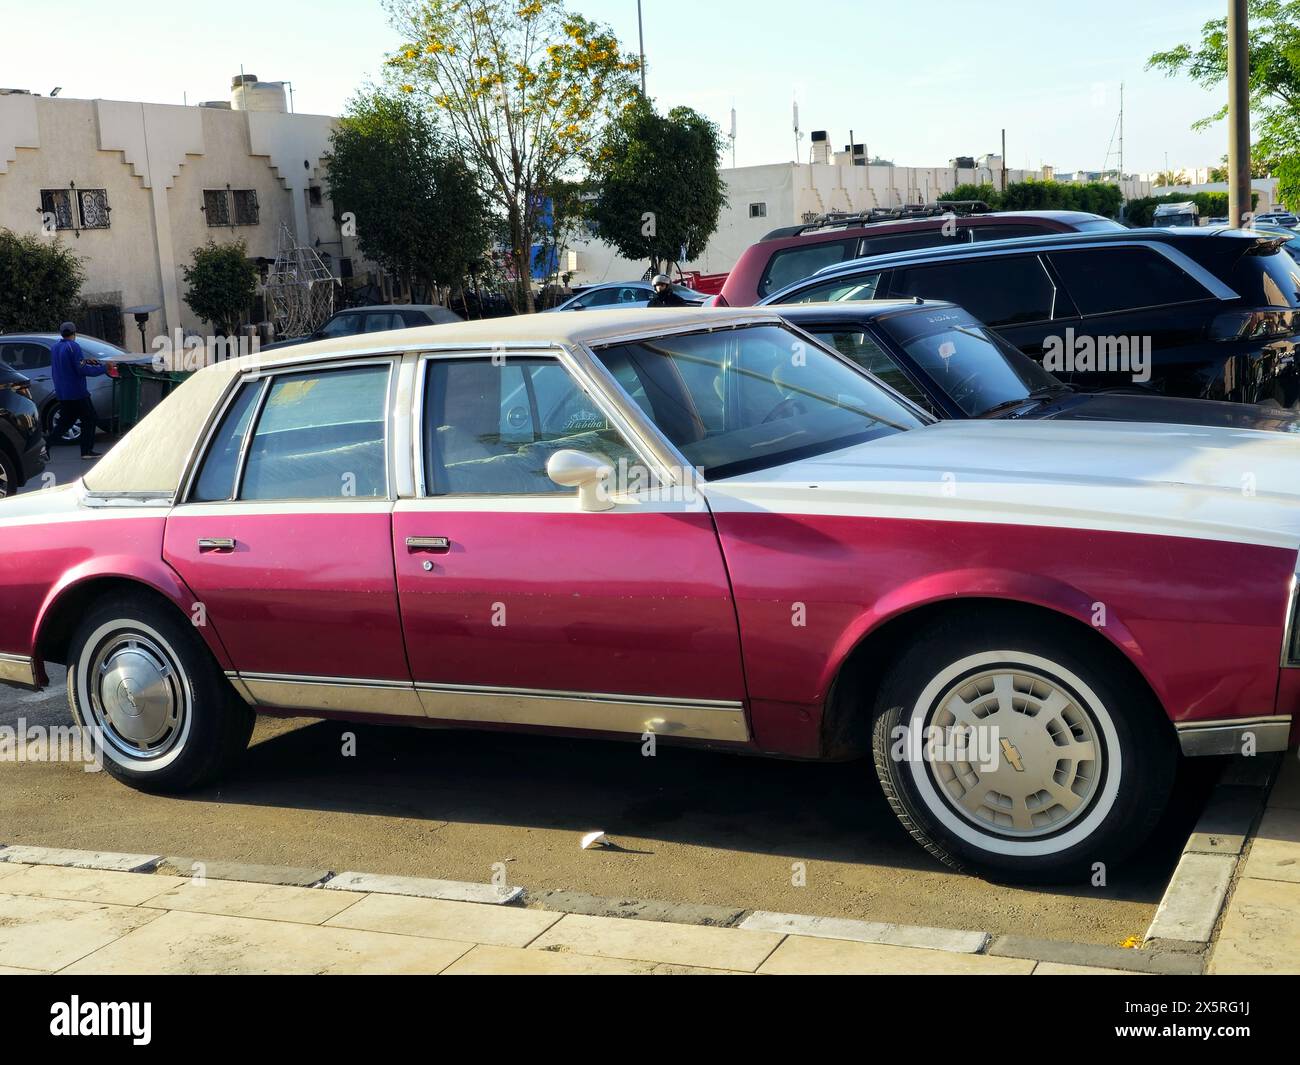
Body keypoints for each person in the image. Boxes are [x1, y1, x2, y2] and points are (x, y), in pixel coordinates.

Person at [50, 322, 106, 459]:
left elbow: (68, 364)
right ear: (74, 333)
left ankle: (44, 448)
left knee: (65, 423)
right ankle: (86, 451)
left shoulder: (56, 347)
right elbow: (81, 370)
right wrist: (105, 368)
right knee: (90, 419)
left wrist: (85, 361)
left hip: (63, 392)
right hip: (77, 392)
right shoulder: (74, 346)